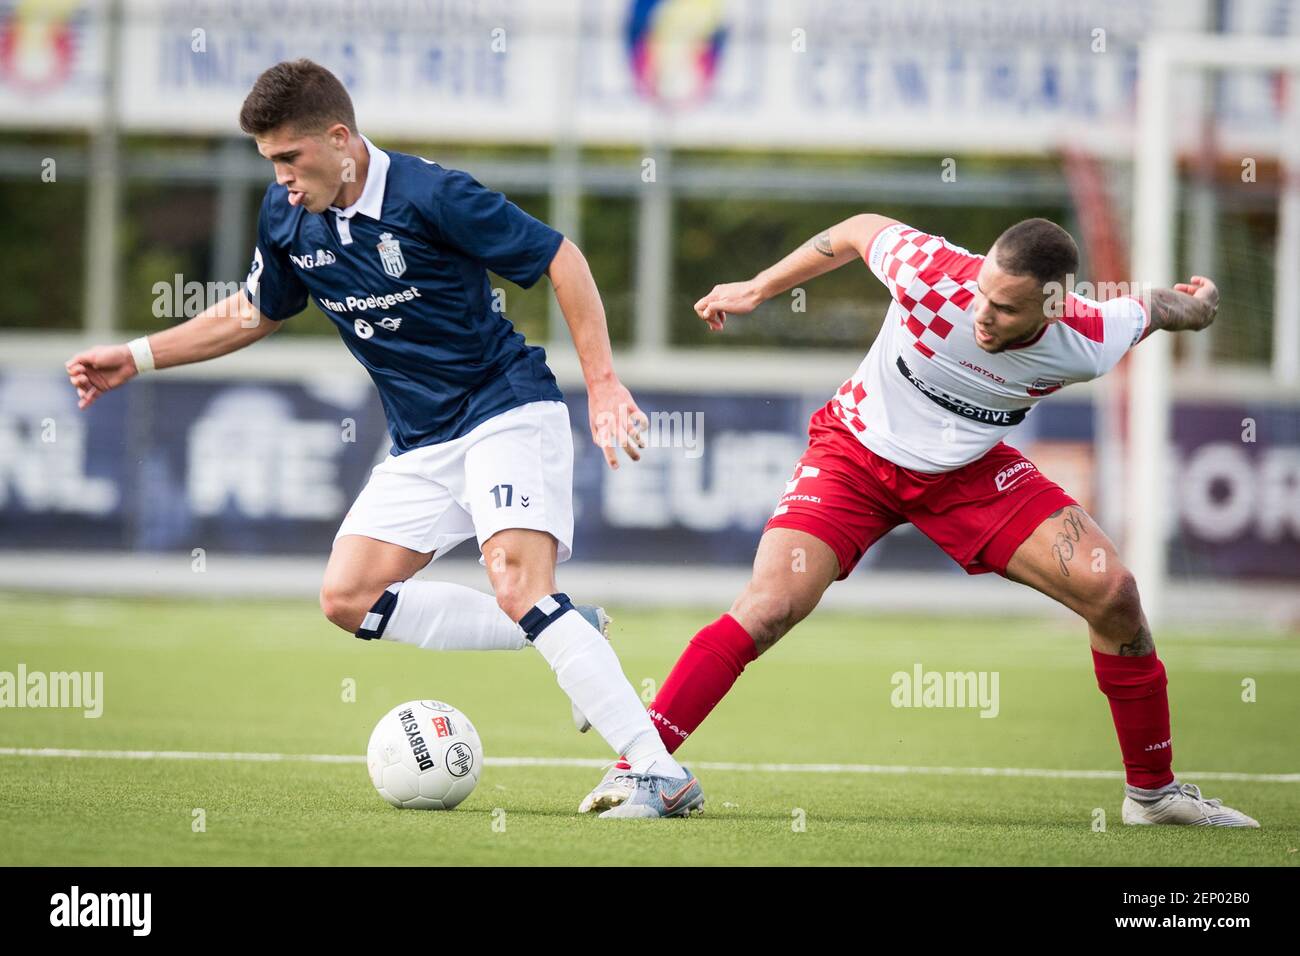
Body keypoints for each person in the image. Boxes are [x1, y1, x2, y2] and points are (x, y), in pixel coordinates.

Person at [65, 58, 701, 820]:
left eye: (289, 159)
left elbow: (561, 259)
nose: (281, 180)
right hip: (422, 442)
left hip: (504, 409)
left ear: (340, 139)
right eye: (269, 163)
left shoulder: (434, 195)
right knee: (348, 597)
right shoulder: (288, 215)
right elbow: (252, 312)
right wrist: (135, 358)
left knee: (518, 585)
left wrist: (602, 385)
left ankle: (658, 772)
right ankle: (568, 630)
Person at [579, 213, 1257, 828]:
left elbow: (1152, 308)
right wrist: (760, 286)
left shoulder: (1087, 338)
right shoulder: (932, 274)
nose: (982, 314)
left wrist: (1195, 308)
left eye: (1005, 309)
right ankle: (641, 767)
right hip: (855, 454)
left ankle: (1153, 794)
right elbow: (854, 229)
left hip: (969, 475)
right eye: (983, 294)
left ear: (1050, 309)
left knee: (1114, 593)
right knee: (770, 606)